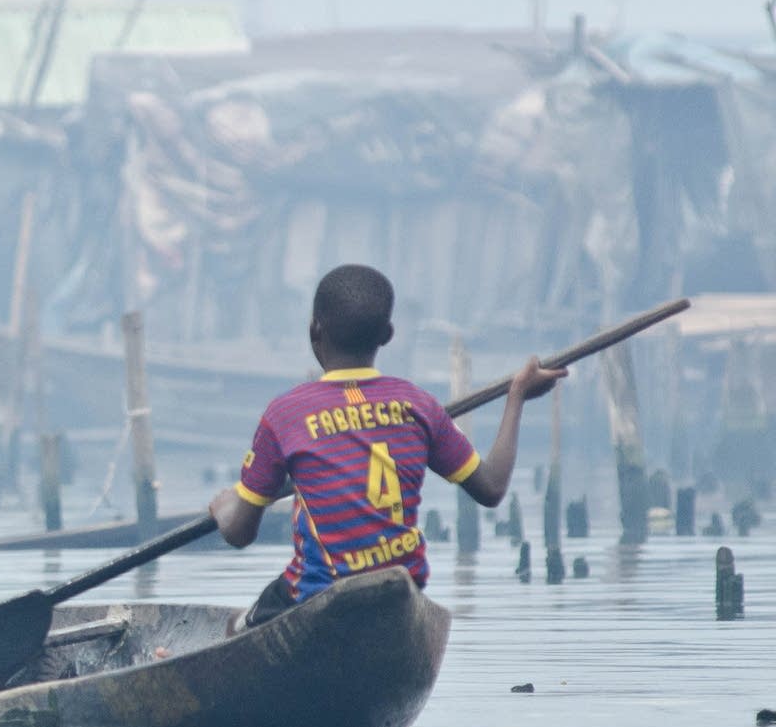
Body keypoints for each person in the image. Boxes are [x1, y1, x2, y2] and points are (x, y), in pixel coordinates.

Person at [208, 263, 566, 628]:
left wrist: (225, 509)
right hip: (400, 592)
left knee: (238, 626)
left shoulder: (285, 414)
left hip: (318, 596)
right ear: (388, 333)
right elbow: (491, 488)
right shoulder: (418, 404)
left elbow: (239, 533)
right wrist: (517, 396)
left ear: (314, 329)